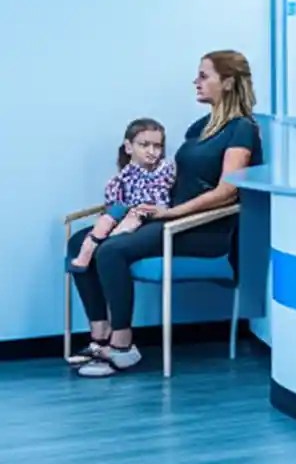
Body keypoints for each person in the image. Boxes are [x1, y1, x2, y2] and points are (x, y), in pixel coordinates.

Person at [67, 50, 263, 378]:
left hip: (205, 230)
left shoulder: (241, 129)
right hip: (170, 219)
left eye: (204, 75)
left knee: (112, 250)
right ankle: (100, 337)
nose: (195, 81)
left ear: (227, 82)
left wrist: (170, 213)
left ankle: (123, 346)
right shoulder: (200, 126)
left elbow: (227, 191)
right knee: (78, 242)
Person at [66, 118, 176, 274]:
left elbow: (168, 192)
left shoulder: (165, 169)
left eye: (157, 146)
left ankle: (106, 243)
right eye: (144, 145)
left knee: (131, 218)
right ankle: (90, 245)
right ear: (129, 147)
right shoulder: (122, 177)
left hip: (149, 214)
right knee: (110, 215)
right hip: (125, 213)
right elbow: (115, 202)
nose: (152, 151)